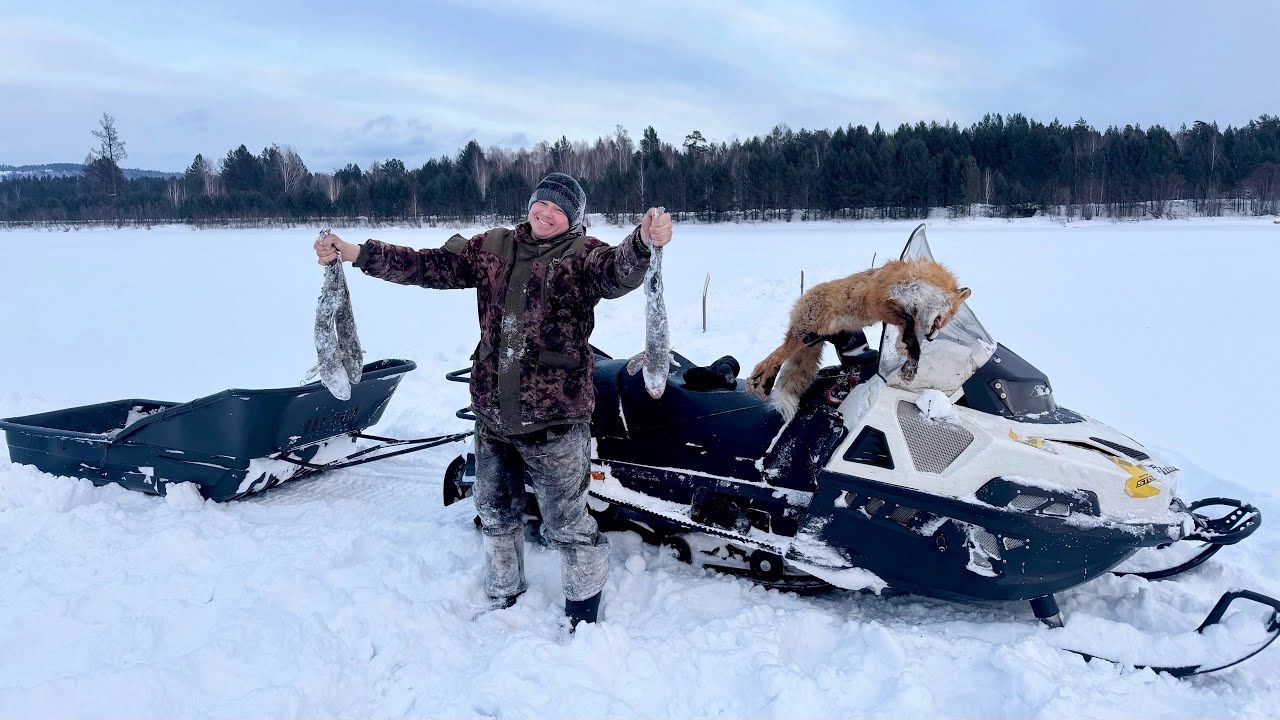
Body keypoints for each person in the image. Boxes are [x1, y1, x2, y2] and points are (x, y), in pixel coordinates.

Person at [314, 172, 673, 629]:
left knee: (568, 527)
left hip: (556, 422)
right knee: (496, 514)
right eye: (541, 204)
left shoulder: (582, 256)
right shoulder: (493, 247)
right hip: (493, 417)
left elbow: (618, 270)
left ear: (574, 219)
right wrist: (356, 253)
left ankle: (582, 617)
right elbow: (425, 265)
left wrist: (643, 240)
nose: (546, 214)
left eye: (559, 210)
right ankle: (505, 592)